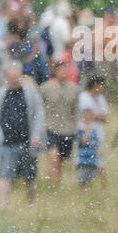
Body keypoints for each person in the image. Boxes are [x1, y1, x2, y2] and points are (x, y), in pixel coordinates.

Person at [0, 63, 46, 205]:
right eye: (12, 77)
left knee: (30, 176)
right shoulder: (0, 95)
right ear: (6, 77)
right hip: (7, 142)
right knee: (5, 174)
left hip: (27, 141)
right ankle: (3, 204)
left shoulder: (30, 92)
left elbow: (39, 114)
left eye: (17, 76)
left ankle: (30, 203)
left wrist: (36, 135)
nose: (15, 79)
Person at [40, 56, 80, 185]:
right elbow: (40, 108)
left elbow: (77, 110)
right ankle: (55, 184)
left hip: (68, 129)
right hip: (51, 127)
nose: (64, 72)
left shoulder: (74, 89)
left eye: (66, 70)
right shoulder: (45, 88)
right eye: (61, 70)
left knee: (62, 159)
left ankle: (56, 180)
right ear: (55, 71)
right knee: (54, 156)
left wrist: (77, 126)